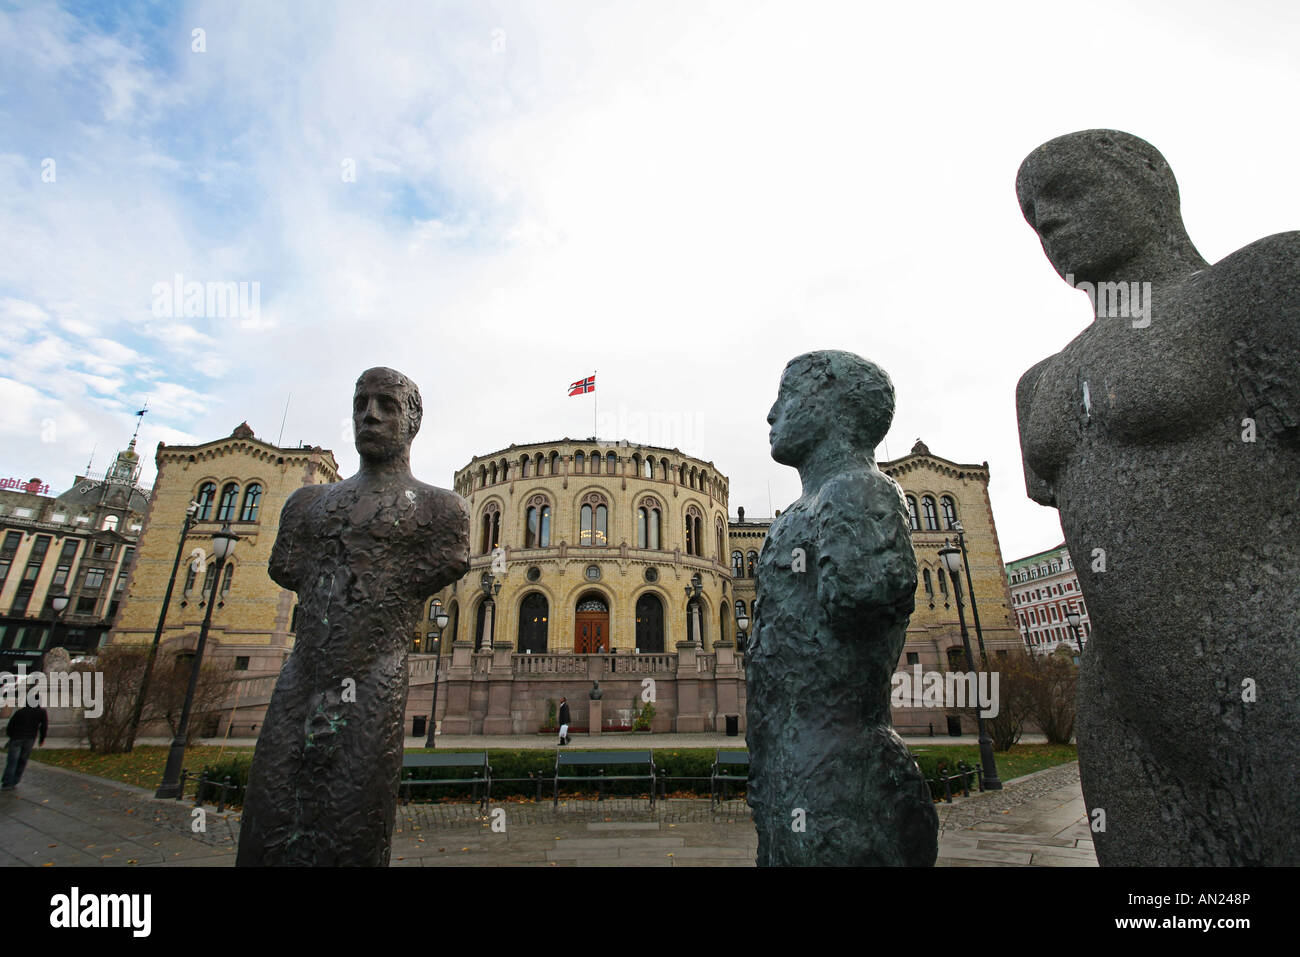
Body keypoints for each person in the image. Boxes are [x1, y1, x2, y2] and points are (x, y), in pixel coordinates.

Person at [1015, 130, 1300, 866]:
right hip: (1121, 706)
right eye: (1034, 212)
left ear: (1149, 180)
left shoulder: (1262, 284)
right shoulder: (1038, 385)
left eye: (1069, 191)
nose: (1048, 220)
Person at [236, 368, 470, 866]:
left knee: (351, 829)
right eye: (361, 402)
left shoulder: (442, 510)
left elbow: (447, 560)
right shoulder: (306, 505)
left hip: (373, 681)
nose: (370, 415)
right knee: (265, 822)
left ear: (414, 419)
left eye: (386, 404)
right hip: (299, 679)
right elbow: (285, 565)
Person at [746, 350, 937, 866]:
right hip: (794, 769)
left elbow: (862, 604)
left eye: (786, 396)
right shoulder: (804, 512)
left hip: (842, 777)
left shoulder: (858, 492)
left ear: (828, 401)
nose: (771, 413)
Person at [2, 695, 48, 789]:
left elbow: (10, 725)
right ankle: (15, 781)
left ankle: (7, 783)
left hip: (16, 738)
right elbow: (44, 727)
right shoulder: (41, 712)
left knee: (12, 761)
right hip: (30, 739)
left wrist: (11, 736)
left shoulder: (20, 712)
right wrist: (42, 739)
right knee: (22, 760)